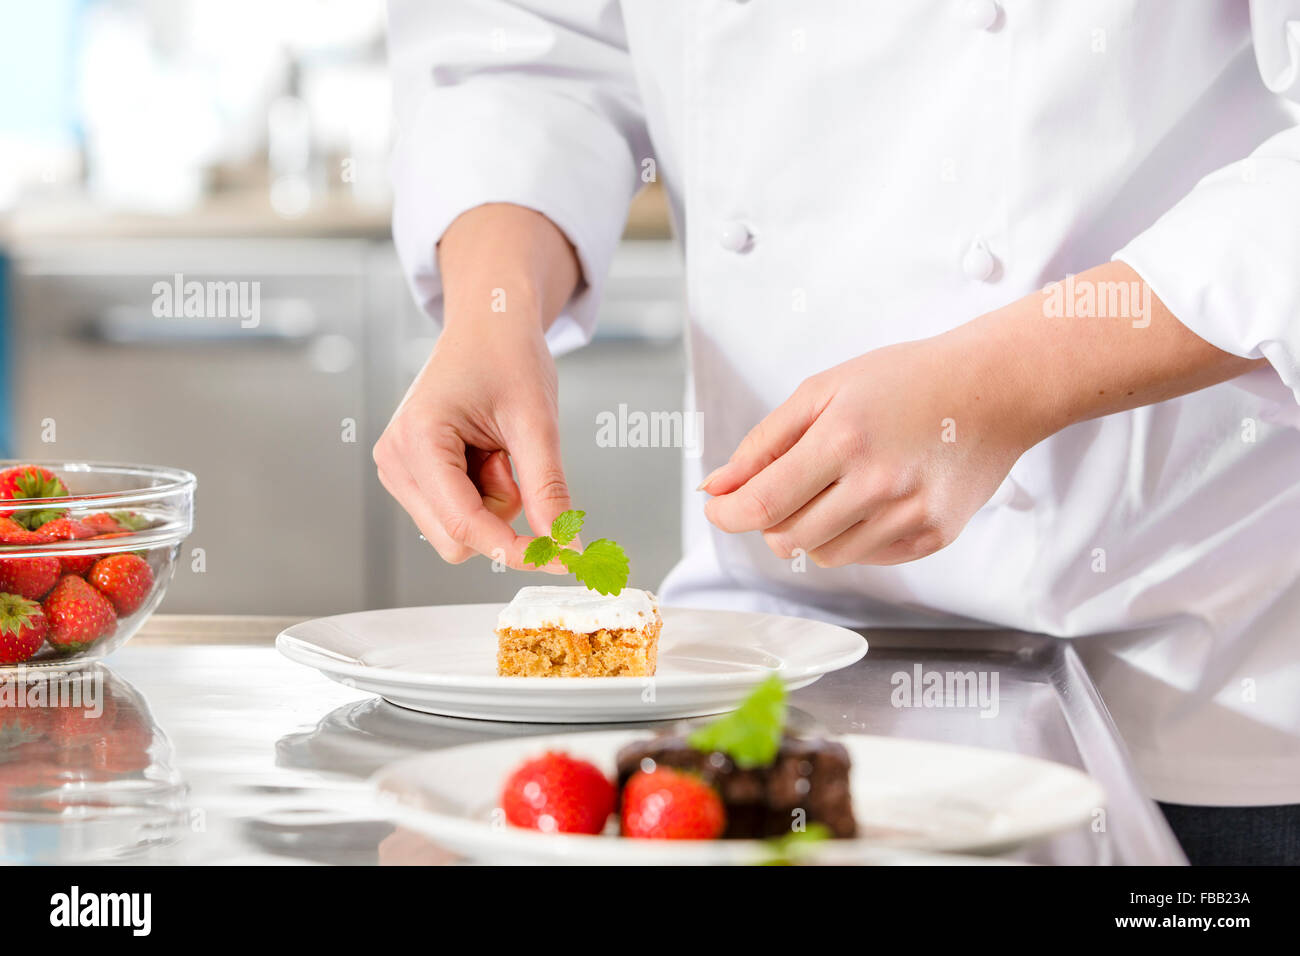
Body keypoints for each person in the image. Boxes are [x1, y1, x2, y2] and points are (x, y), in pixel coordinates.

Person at [376, 0, 1300, 864]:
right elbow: (528, 46)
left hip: (1191, 663)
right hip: (753, 664)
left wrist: (1004, 385)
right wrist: (492, 310)